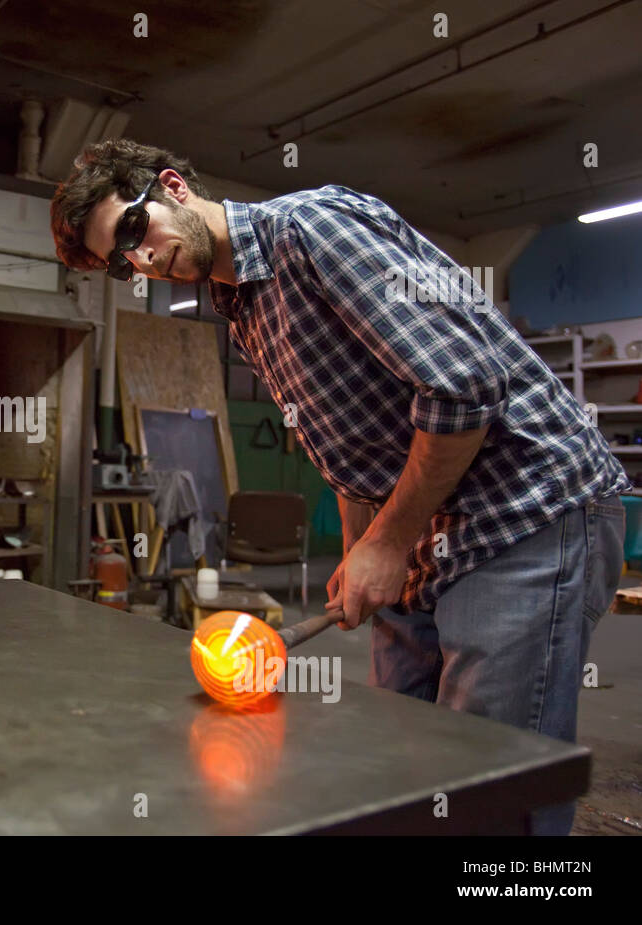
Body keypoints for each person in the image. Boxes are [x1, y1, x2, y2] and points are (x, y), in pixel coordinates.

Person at [50, 138, 628, 835]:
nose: (142, 260)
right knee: (404, 755)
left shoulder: (314, 231)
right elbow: (352, 447)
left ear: (173, 186)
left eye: (135, 232)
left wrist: (387, 543)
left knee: (489, 778)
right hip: (431, 527)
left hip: (526, 506)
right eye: (123, 261)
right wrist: (360, 549)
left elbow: (464, 387)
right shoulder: (241, 305)